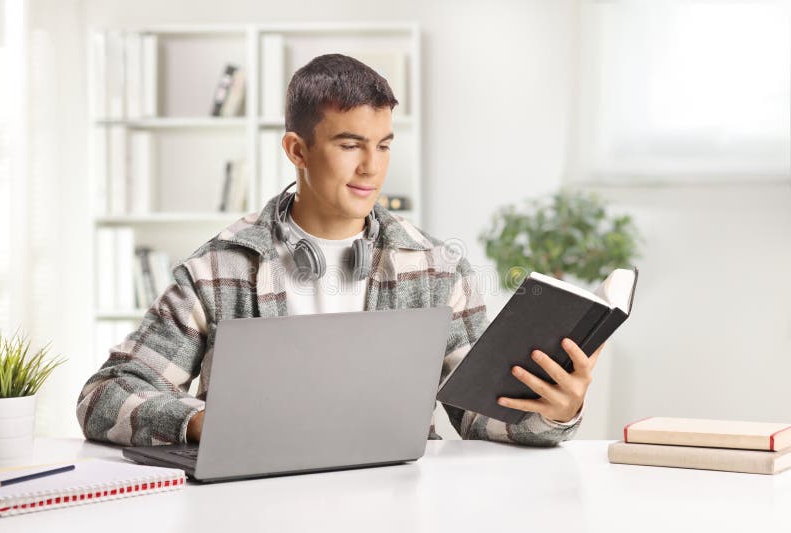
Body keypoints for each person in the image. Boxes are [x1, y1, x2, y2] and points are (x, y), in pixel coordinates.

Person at [76, 54, 603, 447]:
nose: (372, 168)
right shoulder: (220, 270)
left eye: (384, 145)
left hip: (399, 507)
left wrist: (554, 412)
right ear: (297, 150)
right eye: (350, 145)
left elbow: (480, 417)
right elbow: (103, 397)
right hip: (254, 509)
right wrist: (196, 421)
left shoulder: (436, 269)